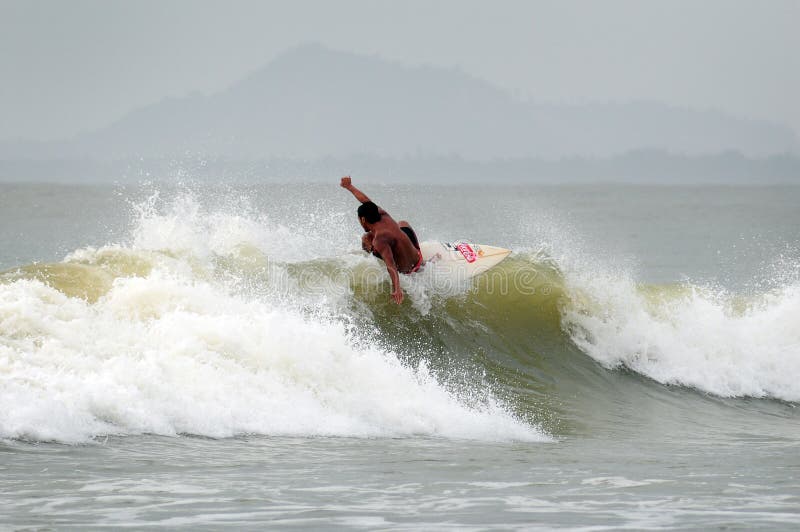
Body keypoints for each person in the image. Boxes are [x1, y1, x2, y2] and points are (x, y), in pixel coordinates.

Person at [340, 176, 423, 304]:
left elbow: (391, 266)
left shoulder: (380, 239)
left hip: (408, 270)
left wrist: (397, 289)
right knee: (402, 223)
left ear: (363, 220)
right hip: (418, 256)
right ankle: (424, 263)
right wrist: (350, 187)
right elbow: (366, 201)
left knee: (366, 239)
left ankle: (368, 259)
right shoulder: (383, 214)